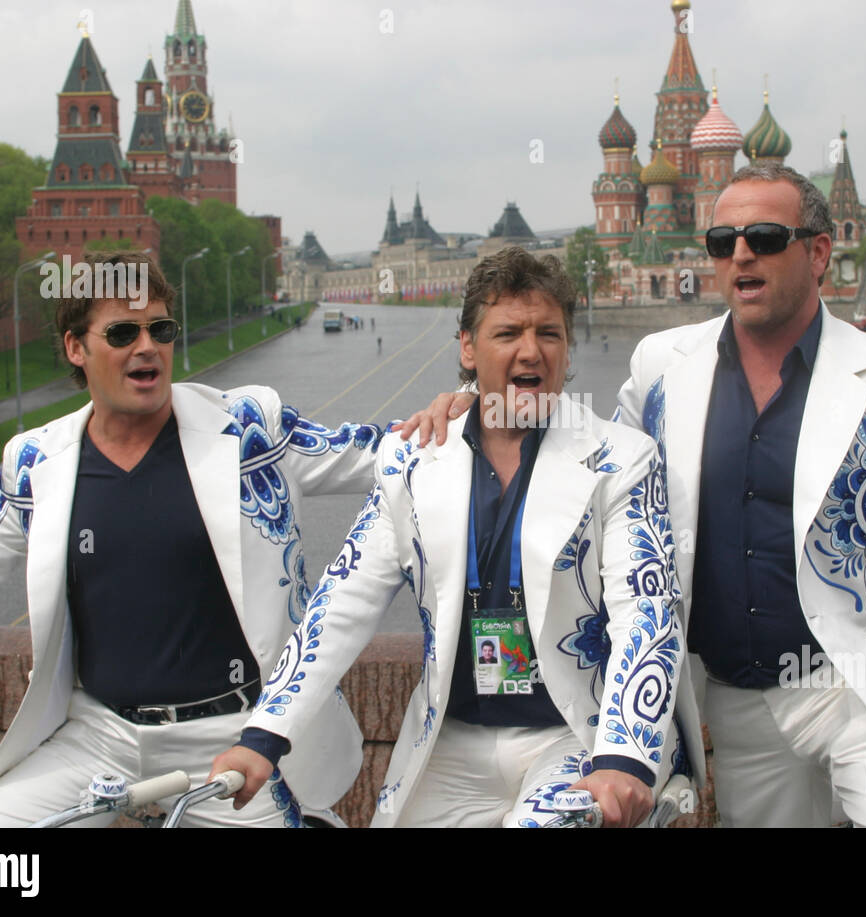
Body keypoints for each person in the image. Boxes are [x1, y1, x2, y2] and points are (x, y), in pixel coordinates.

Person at [406, 165, 866, 828]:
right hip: (734, 697)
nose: (741, 255)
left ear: (819, 252)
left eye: (765, 239)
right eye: (722, 242)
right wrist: (483, 403)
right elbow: (585, 470)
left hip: (863, 687)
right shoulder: (660, 369)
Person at [0, 251, 386, 827]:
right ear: (76, 348)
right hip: (97, 739)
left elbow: (382, 456)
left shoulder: (247, 428)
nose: (147, 346)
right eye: (123, 332)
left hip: (230, 744)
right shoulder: (37, 462)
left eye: (161, 329)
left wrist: (468, 415)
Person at [212, 247, 704, 828]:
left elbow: (645, 610)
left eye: (550, 332)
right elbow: (343, 600)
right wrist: (266, 733)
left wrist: (624, 758)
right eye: (508, 333)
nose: (532, 349)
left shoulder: (620, 460)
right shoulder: (414, 460)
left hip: (580, 736)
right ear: (468, 347)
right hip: (453, 740)